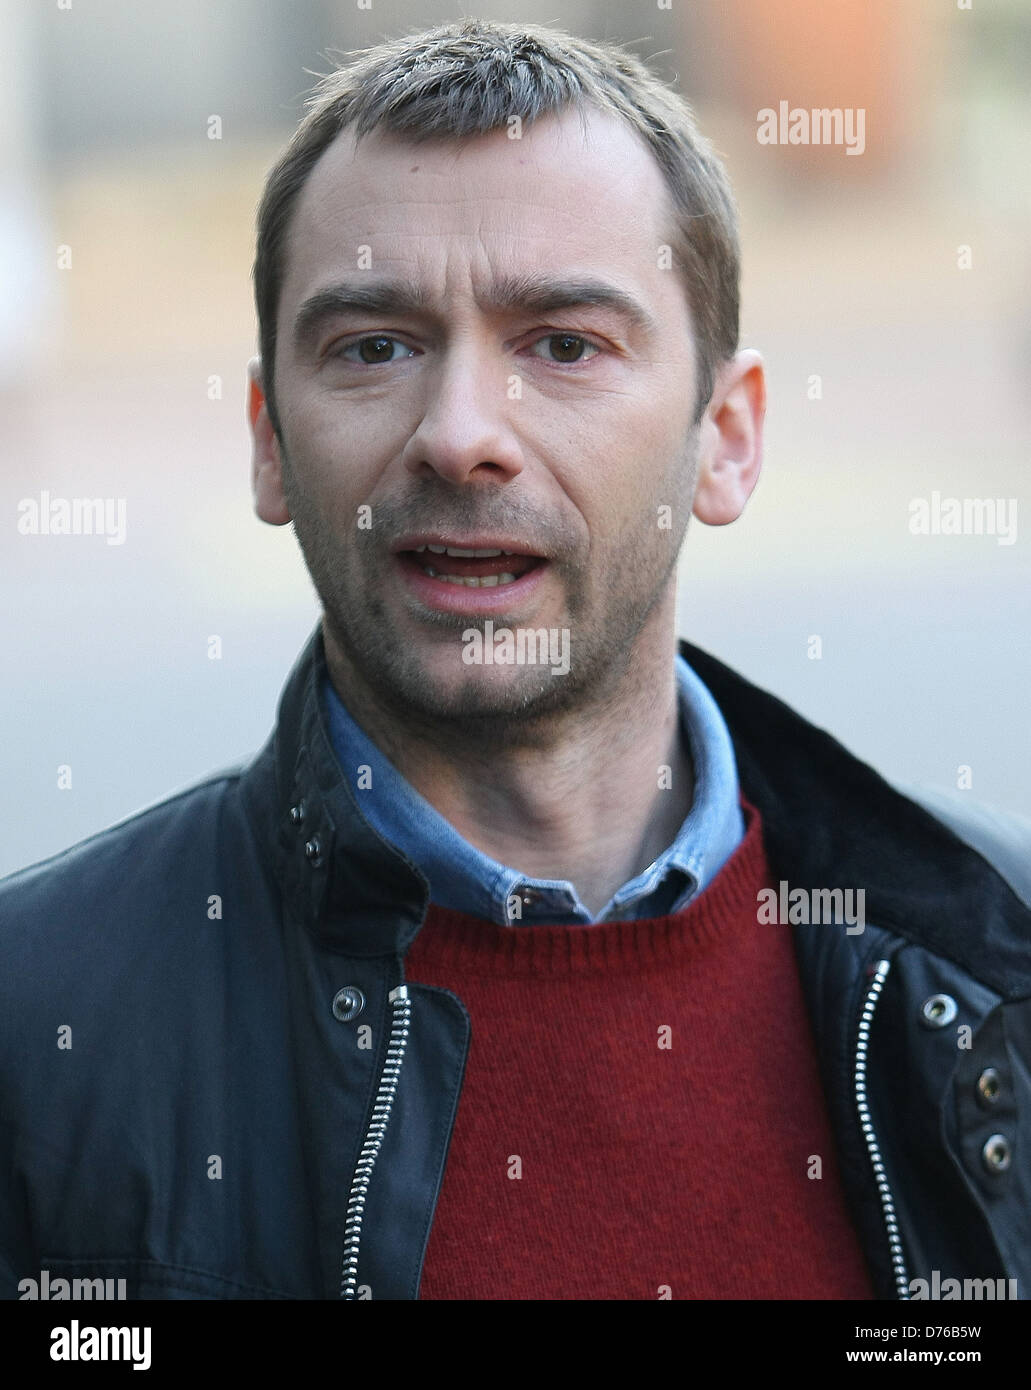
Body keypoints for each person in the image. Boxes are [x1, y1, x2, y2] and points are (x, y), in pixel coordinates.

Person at [2, 18, 1029, 1303]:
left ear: (725, 439)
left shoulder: (994, 953)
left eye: (563, 343)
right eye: (374, 345)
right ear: (267, 441)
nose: (461, 436)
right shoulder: (34, 1027)